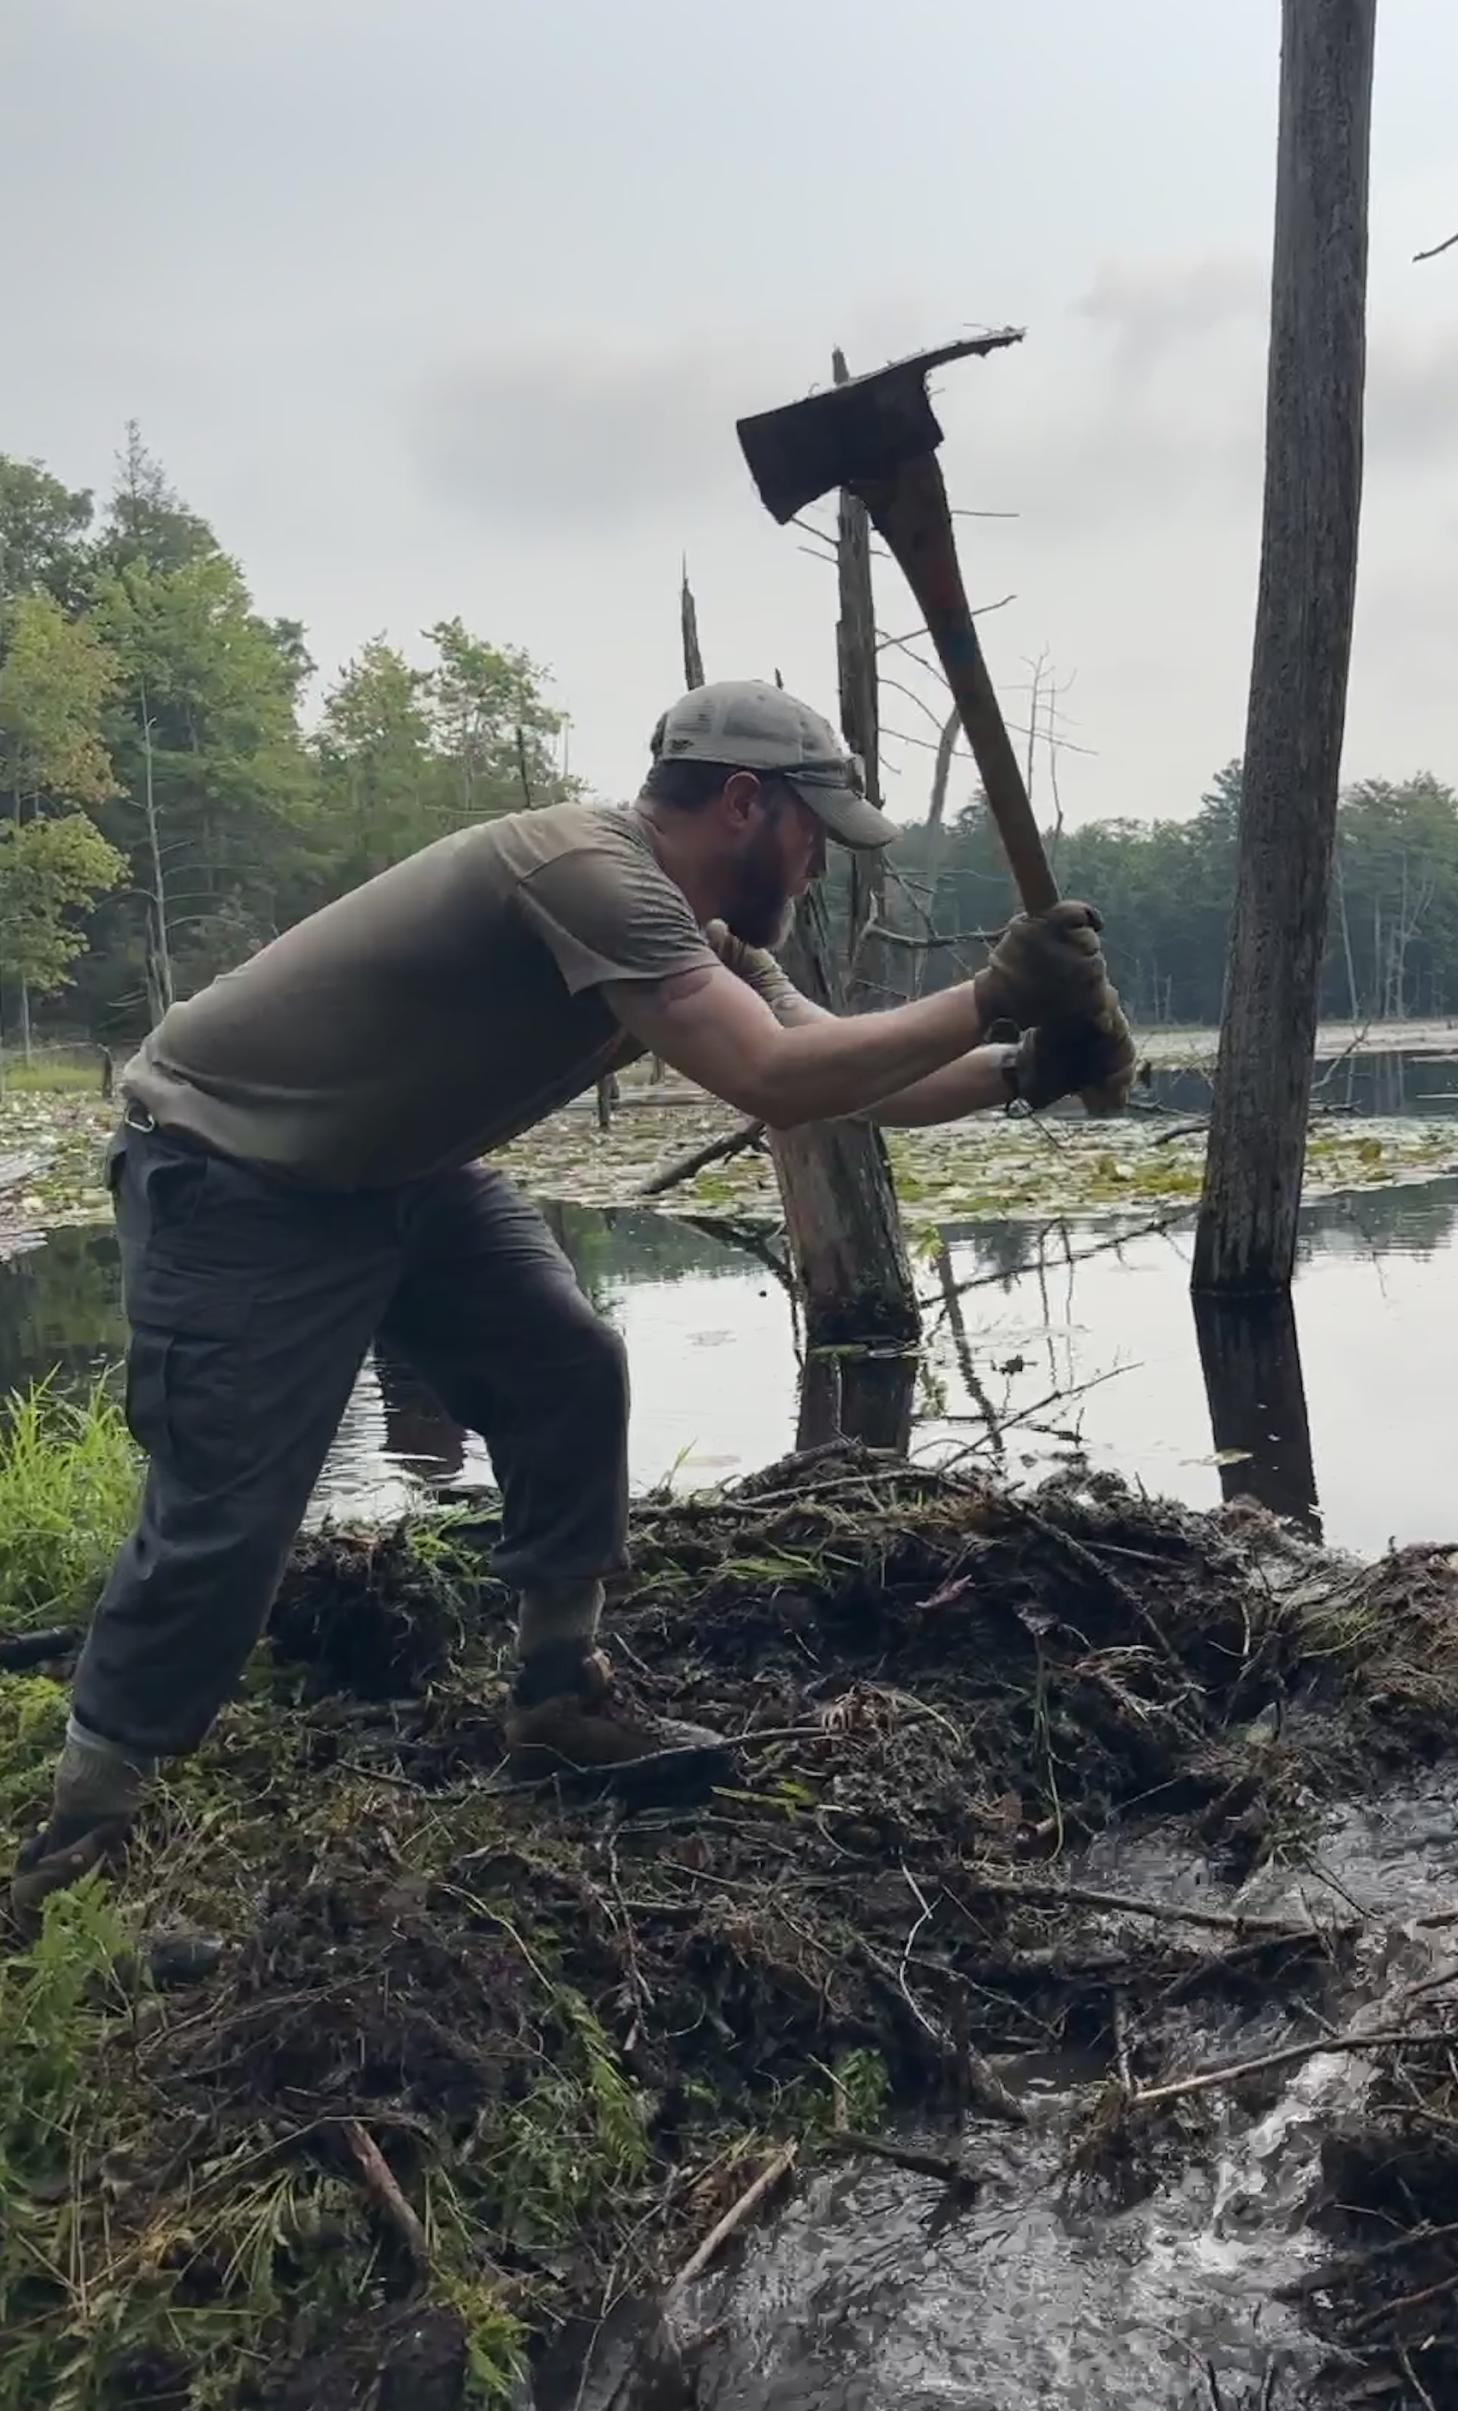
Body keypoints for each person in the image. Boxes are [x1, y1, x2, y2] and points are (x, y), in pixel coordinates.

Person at [11, 679, 1130, 1924]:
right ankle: (85, 1837)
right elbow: (774, 1076)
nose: (820, 863)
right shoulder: (583, 868)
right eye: (817, 832)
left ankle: (555, 1696)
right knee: (228, 1506)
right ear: (746, 803)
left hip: (400, 1169)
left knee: (567, 1365)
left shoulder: (704, 933)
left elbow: (849, 1073)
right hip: (235, 1170)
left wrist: (1023, 1066)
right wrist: (990, 994)